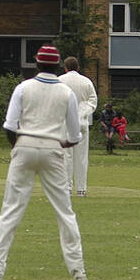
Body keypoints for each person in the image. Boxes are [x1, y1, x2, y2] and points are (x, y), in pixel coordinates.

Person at [0, 45, 88, 280]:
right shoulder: (66, 93)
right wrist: (60, 144)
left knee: (11, 210)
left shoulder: (23, 87)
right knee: (65, 212)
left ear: (37, 64)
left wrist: (18, 148)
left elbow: (10, 126)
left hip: (24, 145)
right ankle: (78, 271)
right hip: (53, 149)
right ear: (57, 64)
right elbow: (74, 135)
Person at [58, 57, 97, 196]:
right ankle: (81, 189)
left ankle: (67, 189)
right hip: (82, 124)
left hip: (65, 123)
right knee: (81, 157)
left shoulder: (59, 81)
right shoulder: (86, 81)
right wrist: (82, 114)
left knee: (66, 157)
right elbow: (93, 102)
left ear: (65, 68)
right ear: (78, 67)